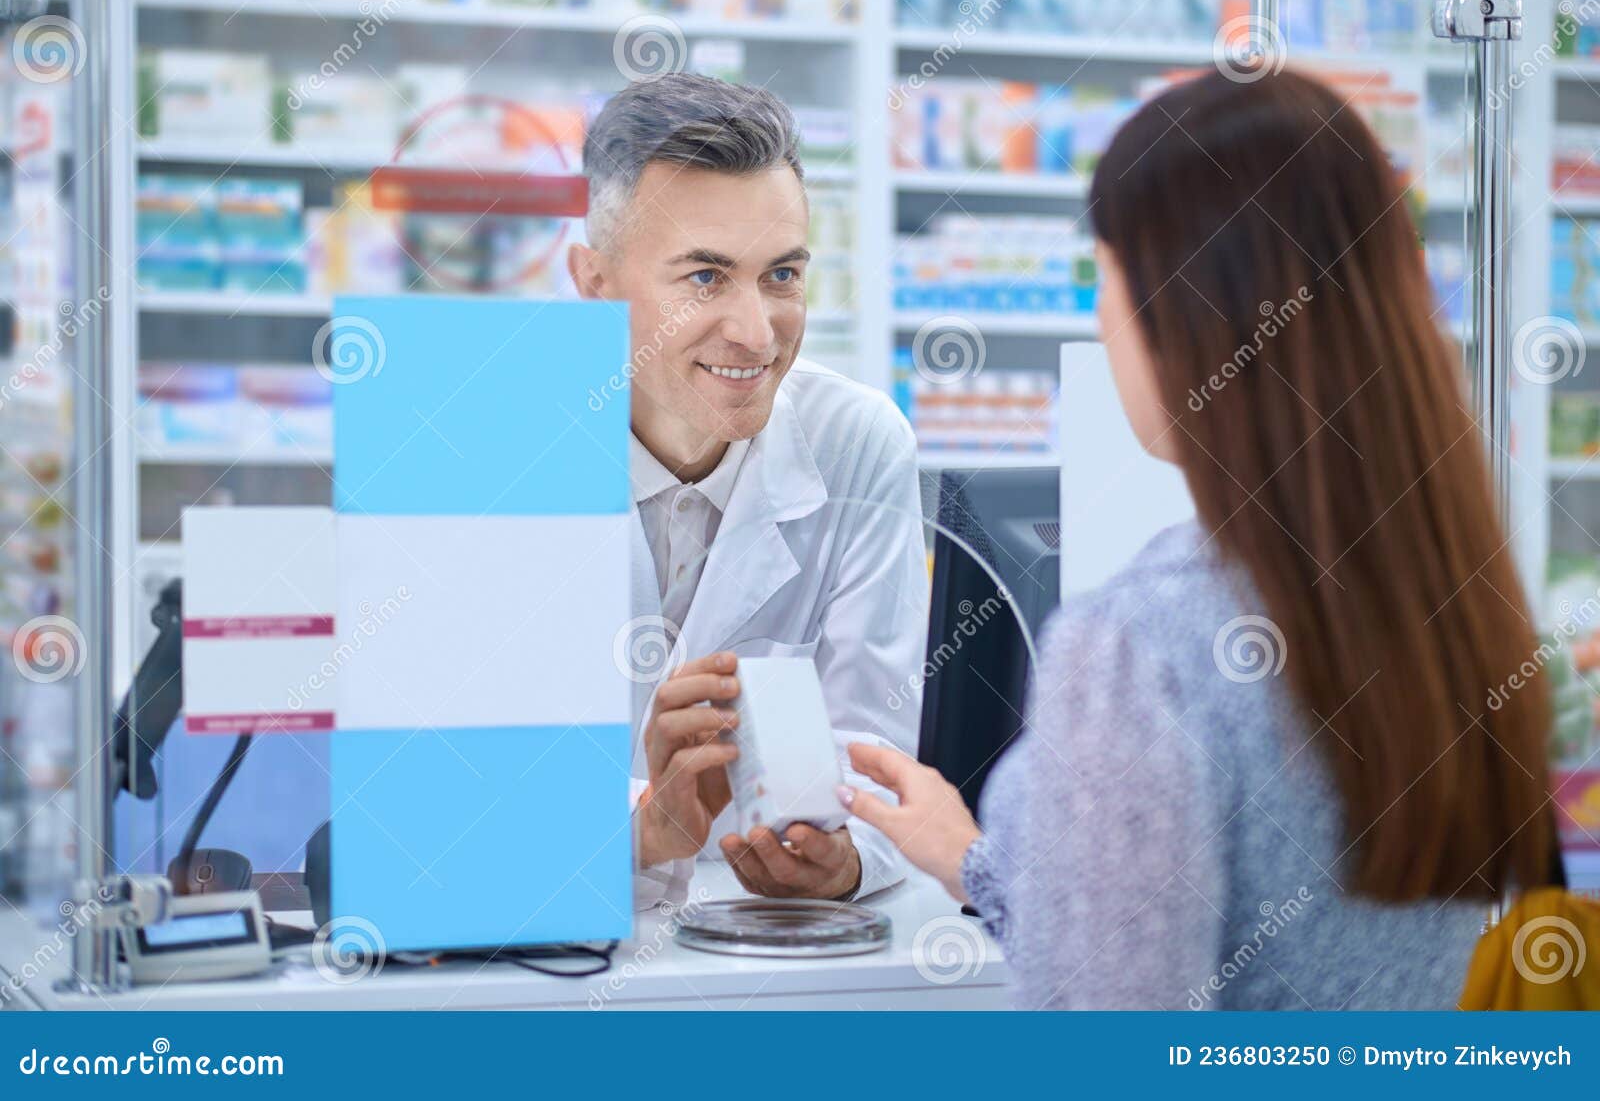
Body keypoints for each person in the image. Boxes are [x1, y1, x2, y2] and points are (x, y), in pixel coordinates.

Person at [841, 68, 1556, 1009]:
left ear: (1185, 313)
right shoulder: (1447, 591)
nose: (1101, 318)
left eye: (1106, 275)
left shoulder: (1139, 646)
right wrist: (985, 865)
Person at [568, 74, 927, 908]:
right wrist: (643, 827)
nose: (756, 332)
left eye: (782, 275)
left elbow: (875, 753)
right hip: (531, 951)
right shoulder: (489, 449)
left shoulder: (858, 443)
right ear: (594, 282)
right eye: (705, 277)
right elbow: (446, 803)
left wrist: (845, 860)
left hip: (760, 941)